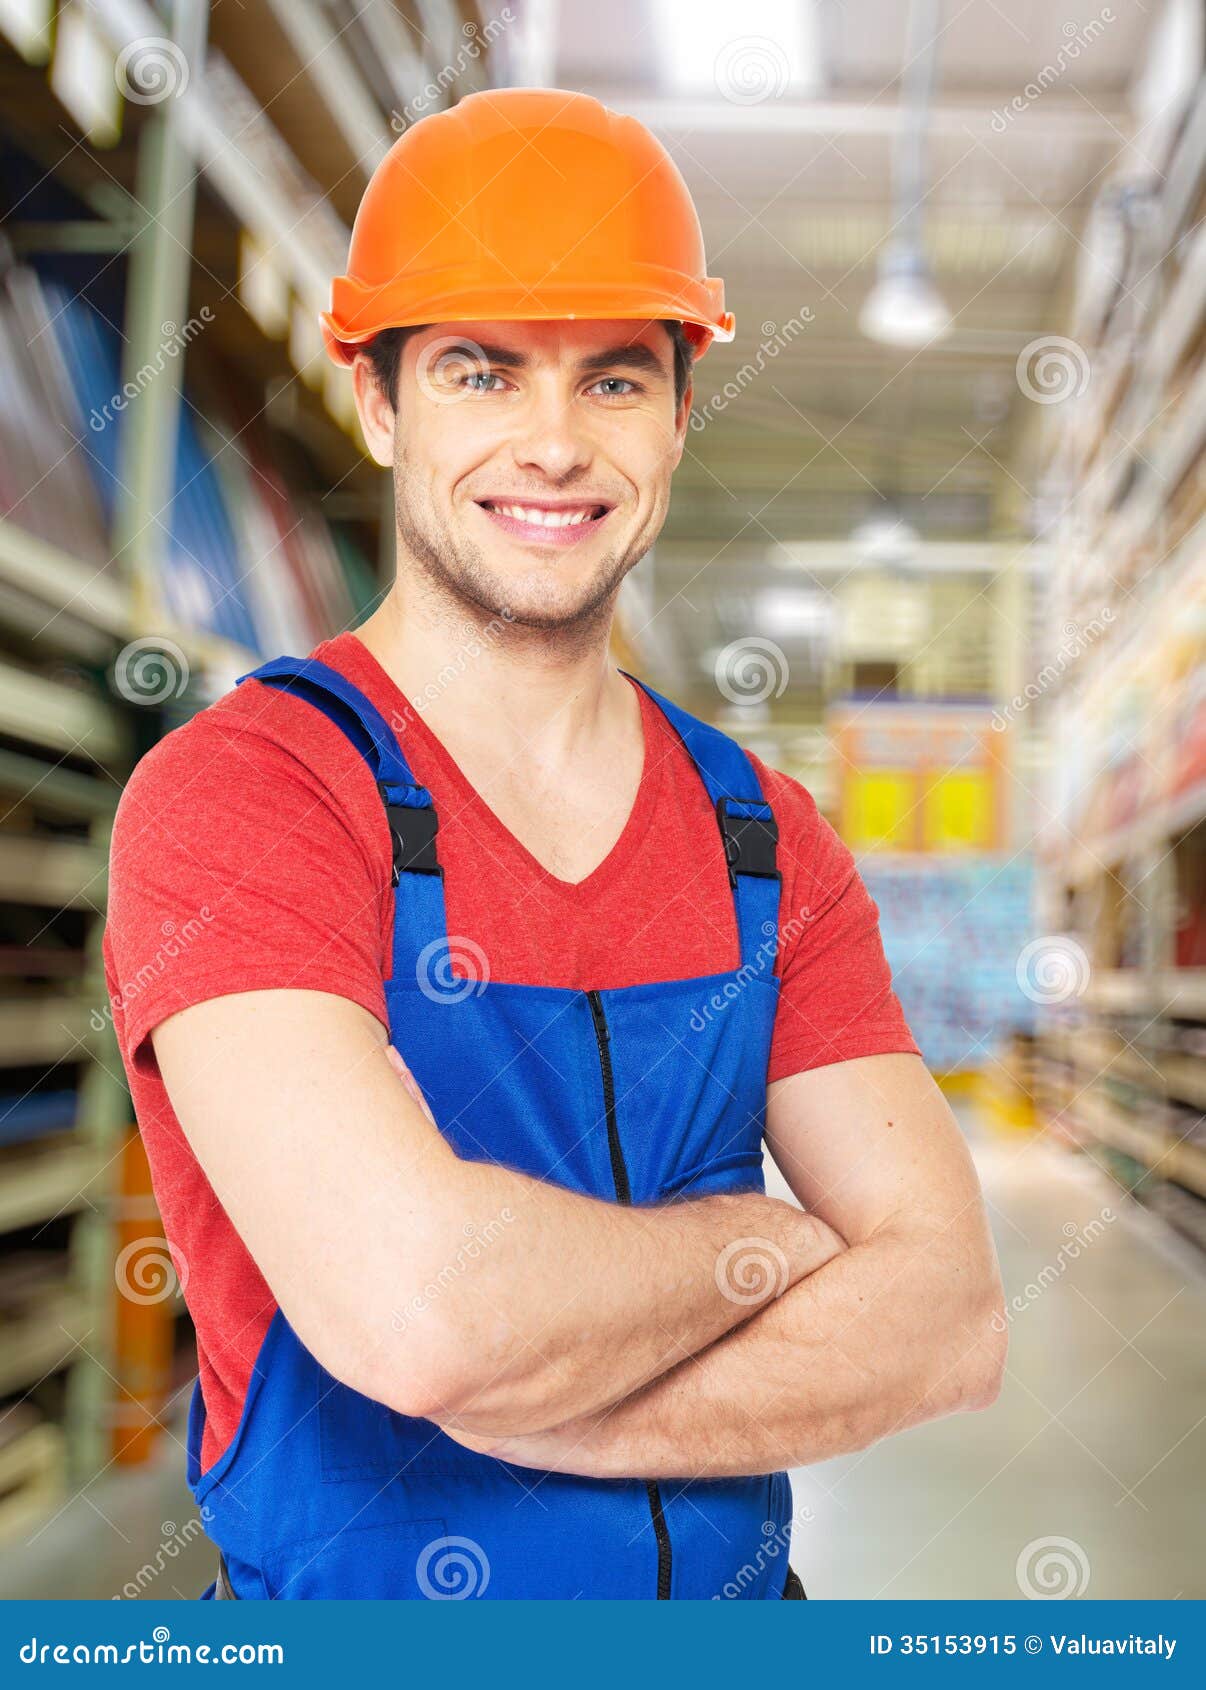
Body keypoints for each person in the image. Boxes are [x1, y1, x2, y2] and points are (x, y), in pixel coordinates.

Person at [104, 87, 1006, 1601]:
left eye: (612, 380)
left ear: (672, 414)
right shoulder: (247, 796)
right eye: (479, 370)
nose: (552, 443)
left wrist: (522, 1395)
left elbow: (951, 1318)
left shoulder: (763, 841)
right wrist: (753, 1240)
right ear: (380, 403)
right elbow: (421, 1317)